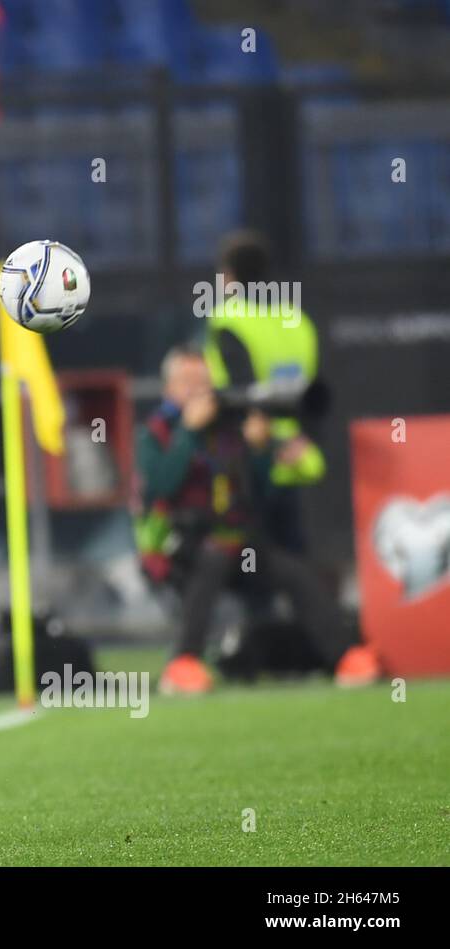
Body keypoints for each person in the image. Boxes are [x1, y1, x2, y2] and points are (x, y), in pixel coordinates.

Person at [134, 345, 379, 694]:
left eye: (203, 381)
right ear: (169, 388)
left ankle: (346, 657)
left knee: (295, 573)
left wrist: (261, 449)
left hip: (239, 547)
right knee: (212, 560)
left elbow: (260, 493)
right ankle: (183, 664)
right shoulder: (156, 433)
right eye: (187, 381)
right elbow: (162, 484)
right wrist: (188, 432)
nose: (197, 389)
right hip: (181, 548)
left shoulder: (227, 429)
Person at [203, 229, 324, 553]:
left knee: (253, 555)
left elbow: (243, 390)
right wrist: (304, 438)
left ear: (229, 276)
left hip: (251, 457)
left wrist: (262, 438)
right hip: (295, 455)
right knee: (292, 552)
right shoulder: (297, 320)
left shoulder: (229, 320)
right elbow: (312, 391)